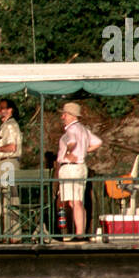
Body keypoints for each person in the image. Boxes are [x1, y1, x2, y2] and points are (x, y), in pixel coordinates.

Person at [56, 101, 102, 237]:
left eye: (65, 114)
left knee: (75, 202)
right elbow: (97, 142)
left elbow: (72, 142)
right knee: (76, 201)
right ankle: (80, 231)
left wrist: (69, 153)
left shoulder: (71, 129)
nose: (62, 117)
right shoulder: (83, 129)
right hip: (80, 167)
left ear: (71, 115)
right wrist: (84, 151)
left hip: (71, 168)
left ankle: (79, 233)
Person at [0, 98, 23, 241]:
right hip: (2, 163)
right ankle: (8, 233)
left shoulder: (11, 126)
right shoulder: (5, 126)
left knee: (9, 197)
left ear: (10, 110)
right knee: (5, 197)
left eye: (2, 108)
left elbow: (12, 147)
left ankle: (12, 234)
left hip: (8, 163)